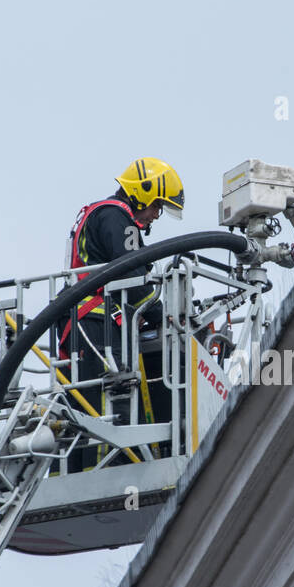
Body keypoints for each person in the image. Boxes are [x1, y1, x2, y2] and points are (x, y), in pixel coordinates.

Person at [56, 158, 185, 471]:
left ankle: (72, 472)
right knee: (103, 403)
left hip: (84, 322)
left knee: (80, 403)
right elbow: (131, 273)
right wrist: (162, 315)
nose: (156, 215)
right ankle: (106, 472)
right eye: (157, 206)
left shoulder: (101, 213)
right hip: (95, 323)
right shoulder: (117, 216)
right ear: (142, 194)